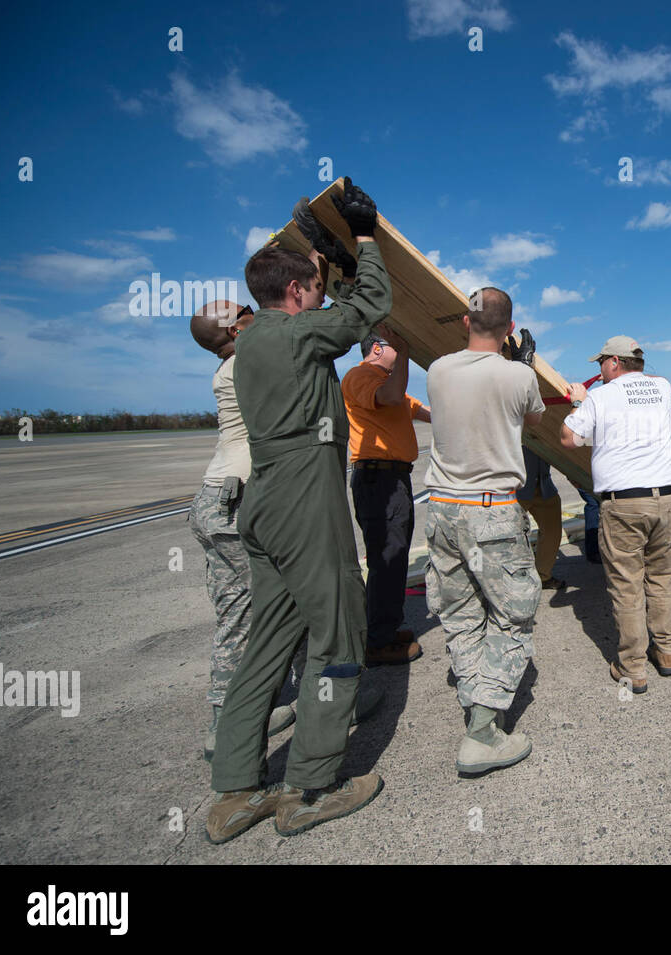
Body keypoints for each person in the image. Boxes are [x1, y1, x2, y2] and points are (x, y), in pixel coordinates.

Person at [206, 179, 388, 844]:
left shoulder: (249, 342)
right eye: (311, 286)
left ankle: (234, 791)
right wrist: (364, 239)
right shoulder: (297, 335)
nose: (317, 293)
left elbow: (331, 308)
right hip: (307, 498)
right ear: (294, 295)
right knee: (338, 636)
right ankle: (310, 787)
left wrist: (317, 253)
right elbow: (369, 304)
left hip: (262, 503)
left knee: (266, 645)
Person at [423, 288, 544, 777]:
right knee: (515, 612)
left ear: (463, 323)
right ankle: (482, 732)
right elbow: (532, 420)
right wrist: (525, 366)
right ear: (511, 330)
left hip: (442, 511)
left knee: (460, 610)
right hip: (490, 513)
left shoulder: (436, 370)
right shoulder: (519, 376)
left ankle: (473, 693)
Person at [187, 299, 295, 759]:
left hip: (218, 500)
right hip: (234, 505)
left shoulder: (232, 364)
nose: (255, 313)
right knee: (243, 617)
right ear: (234, 332)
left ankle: (246, 710)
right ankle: (225, 728)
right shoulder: (243, 364)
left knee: (247, 612)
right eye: (246, 311)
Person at [561, 336, 671, 693]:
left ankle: (633, 667)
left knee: (627, 587)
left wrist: (577, 404)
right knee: (662, 579)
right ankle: (667, 652)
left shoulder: (600, 396)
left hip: (625, 503)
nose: (598, 371)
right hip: (665, 500)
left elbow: (570, 439)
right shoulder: (663, 387)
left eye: (601, 364)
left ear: (614, 362)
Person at [342, 326, 432, 666]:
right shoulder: (360, 376)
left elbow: (425, 412)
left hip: (393, 480)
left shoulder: (390, 385)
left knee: (395, 558)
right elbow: (393, 398)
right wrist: (406, 351)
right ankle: (378, 641)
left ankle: (387, 629)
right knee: (387, 559)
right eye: (394, 346)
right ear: (378, 349)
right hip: (378, 480)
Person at [518, 447, 566, 590]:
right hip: (515, 489)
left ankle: (543, 575)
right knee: (508, 537)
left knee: (552, 531)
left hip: (543, 486)